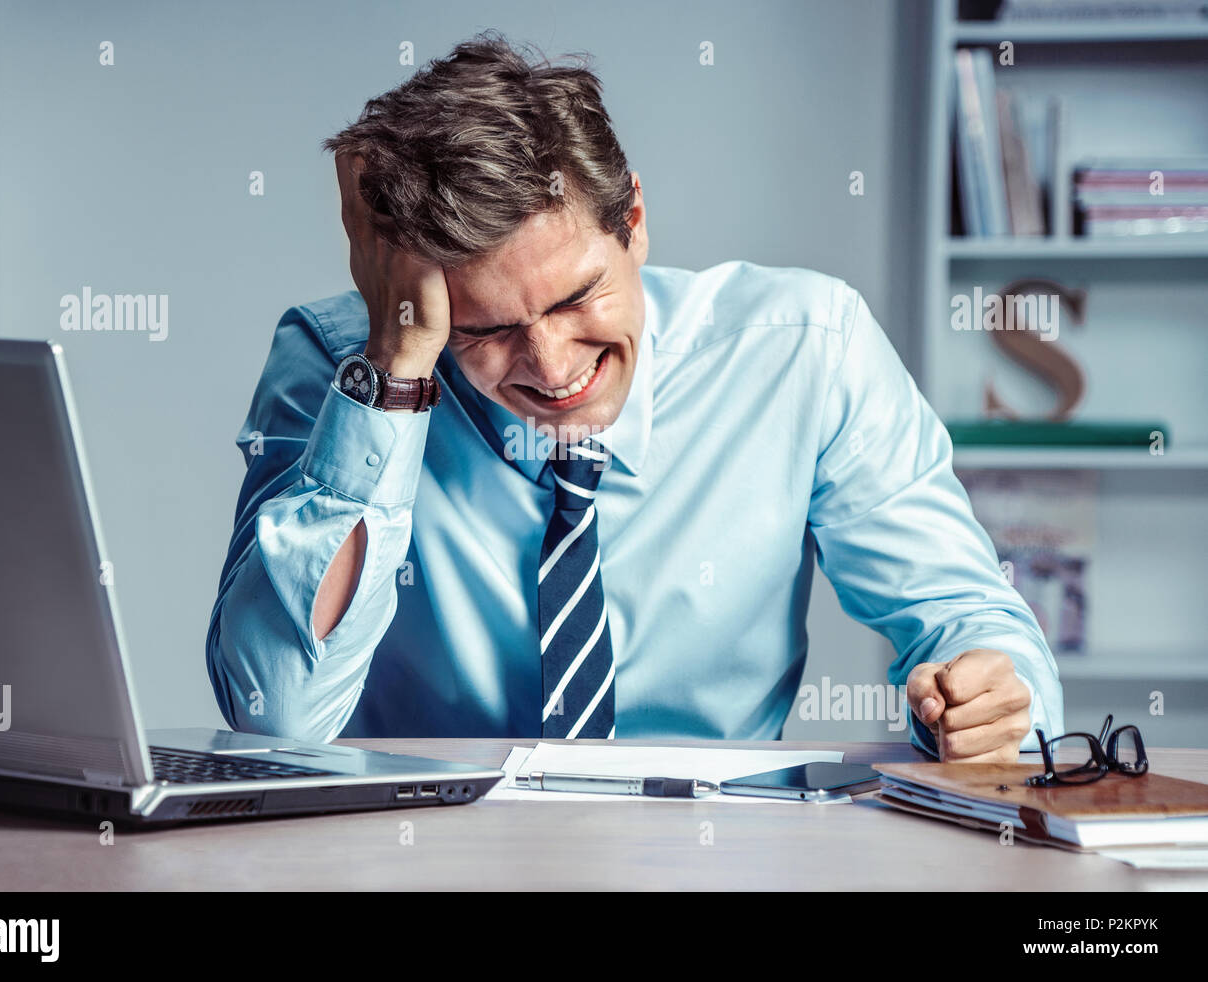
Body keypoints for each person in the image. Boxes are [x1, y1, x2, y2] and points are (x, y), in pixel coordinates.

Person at [205, 31, 1062, 759]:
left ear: (635, 221)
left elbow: (960, 610)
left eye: (577, 299)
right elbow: (275, 717)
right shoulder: (338, 367)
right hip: (421, 863)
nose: (547, 362)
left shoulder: (807, 350)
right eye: (483, 329)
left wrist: (989, 692)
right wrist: (394, 368)